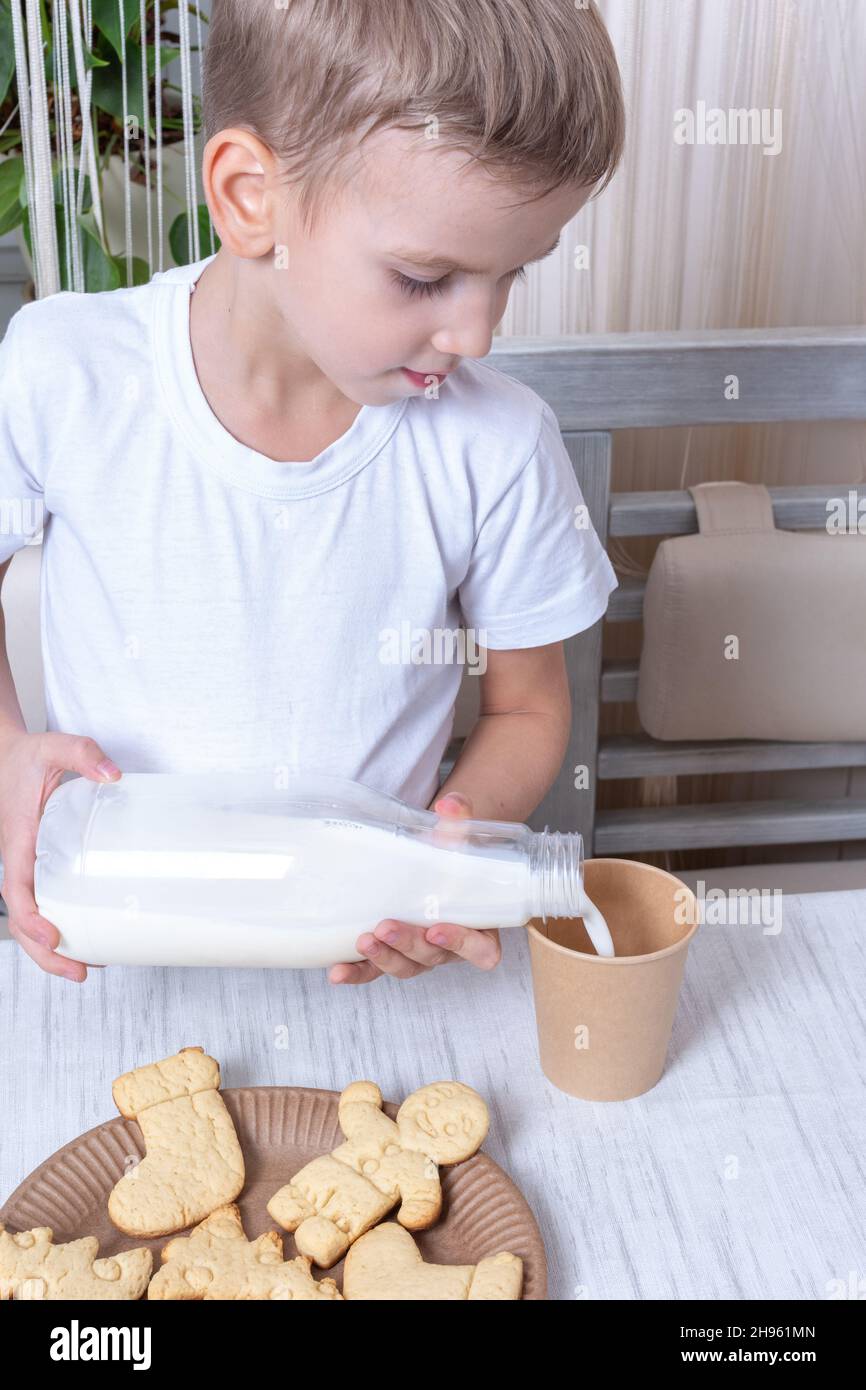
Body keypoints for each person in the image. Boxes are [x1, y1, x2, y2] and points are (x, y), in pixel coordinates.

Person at [0, 0, 624, 986]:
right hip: (116, 943)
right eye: (425, 277)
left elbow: (527, 709)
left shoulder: (496, 445)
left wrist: (444, 856)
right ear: (252, 197)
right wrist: (6, 754)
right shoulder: (65, 370)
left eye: (511, 276)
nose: (477, 335)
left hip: (354, 953)